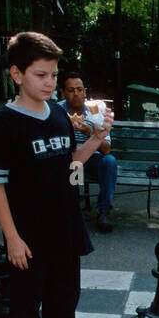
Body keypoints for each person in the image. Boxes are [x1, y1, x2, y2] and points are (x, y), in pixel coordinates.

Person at [0, 32, 113, 318]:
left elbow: (71, 163)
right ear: (16, 74)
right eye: (41, 75)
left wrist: (97, 139)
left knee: (64, 301)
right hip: (28, 233)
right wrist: (11, 237)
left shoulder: (57, 115)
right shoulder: (2, 123)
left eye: (53, 75)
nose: (49, 83)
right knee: (26, 306)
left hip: (65, 229)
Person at [58, 73, 119, 233]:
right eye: (71, 90)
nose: (76, 94)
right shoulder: (57, 112)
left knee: (110, 161)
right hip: (70, 159)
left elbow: (107, 149)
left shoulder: (96, 112)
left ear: (85, 92)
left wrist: (90, 133)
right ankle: (74, 209)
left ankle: (103, 211)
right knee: (74, 164)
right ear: (63, 92)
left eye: (79, 89)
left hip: (93, 159)